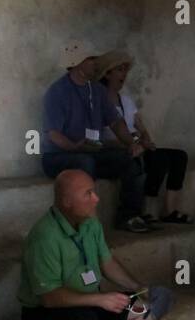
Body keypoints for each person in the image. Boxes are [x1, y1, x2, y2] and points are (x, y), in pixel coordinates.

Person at [19, 169, 174, 320]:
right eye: (88, 194)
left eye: (94, 192)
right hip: (44, 315)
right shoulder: (45, 236)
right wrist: (100, 299)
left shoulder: (90, 222)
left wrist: (137, 289)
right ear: (67, 201)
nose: (97, 199)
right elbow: (49, 297)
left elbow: (107, 263)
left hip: (90, 303)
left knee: (150, 303)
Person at [41, 41, 151, 234]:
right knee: (85, 163)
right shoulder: (57, 92)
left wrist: (131, 144)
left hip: (90, 152)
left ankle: (128, 216)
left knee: (129, 159)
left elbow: (116, 123)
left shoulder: (97, 91)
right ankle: (88, 223)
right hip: (58, 157)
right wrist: (75, 147)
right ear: (76, 63)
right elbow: (53, 135)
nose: (96, 63)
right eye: (91, 59)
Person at [96, 51, 193, 224]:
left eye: (125, 70)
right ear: (107, 73)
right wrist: (133, 144)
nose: (124, 75)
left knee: (179, 156)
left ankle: (170, 211)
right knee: (158, 160)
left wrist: (146, 140)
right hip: (118, 150)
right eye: (119, 70)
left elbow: (140, 125)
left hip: (136, 145)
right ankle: (148, 210)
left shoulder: (125, 100)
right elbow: (101, 138)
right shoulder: (98, 100)